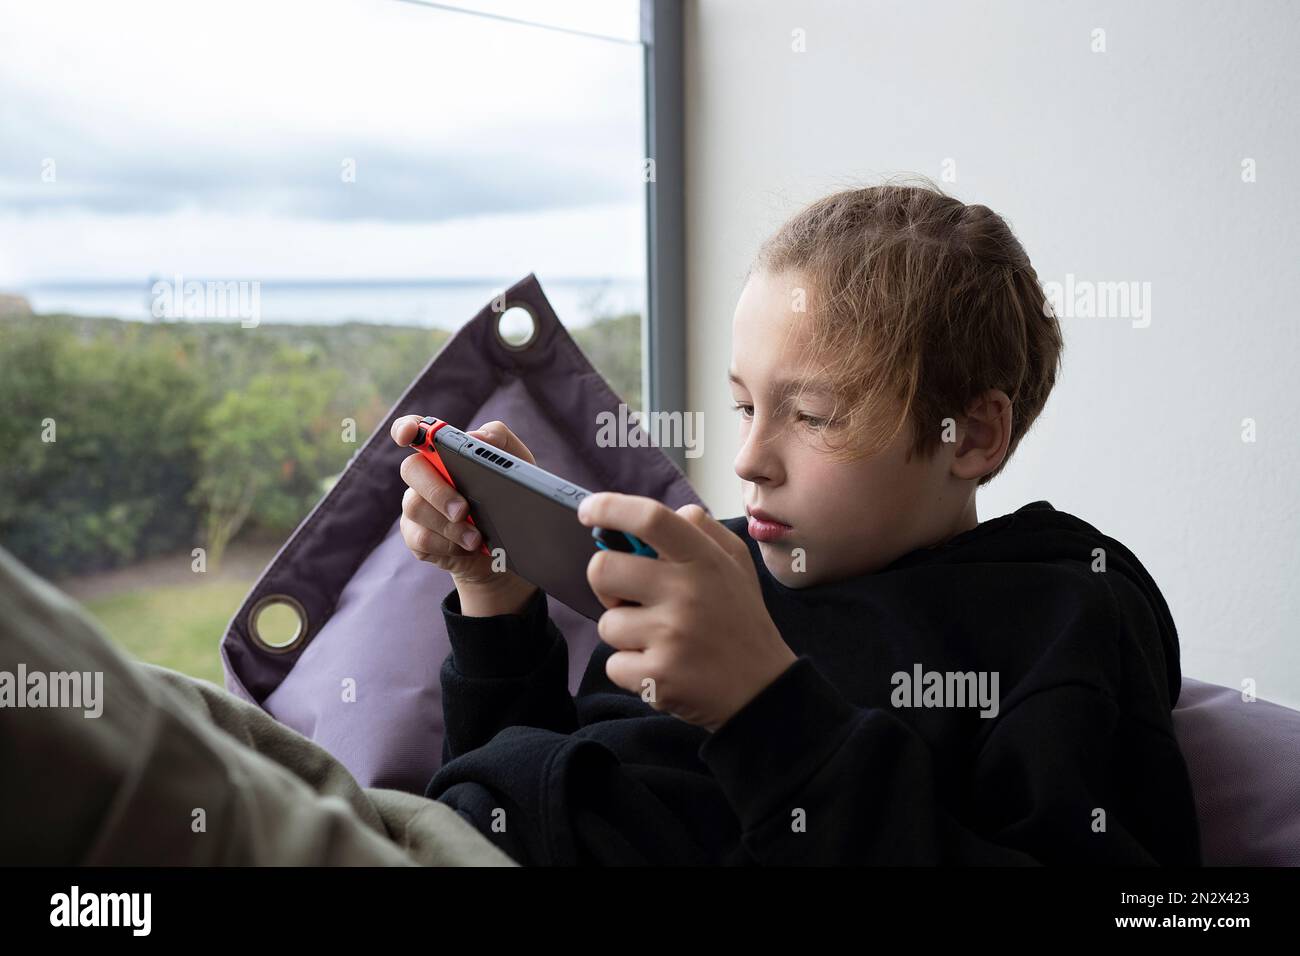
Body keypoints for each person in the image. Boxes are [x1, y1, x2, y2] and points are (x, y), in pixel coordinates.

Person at [390, 181, 1203, 866]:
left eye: (812, 416)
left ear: (974, 435)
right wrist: (494, 599)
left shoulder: (1059, 616)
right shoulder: (717, 561)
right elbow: (528, 789)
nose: (747, 459)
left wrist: (765, 709)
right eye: (745, 405)